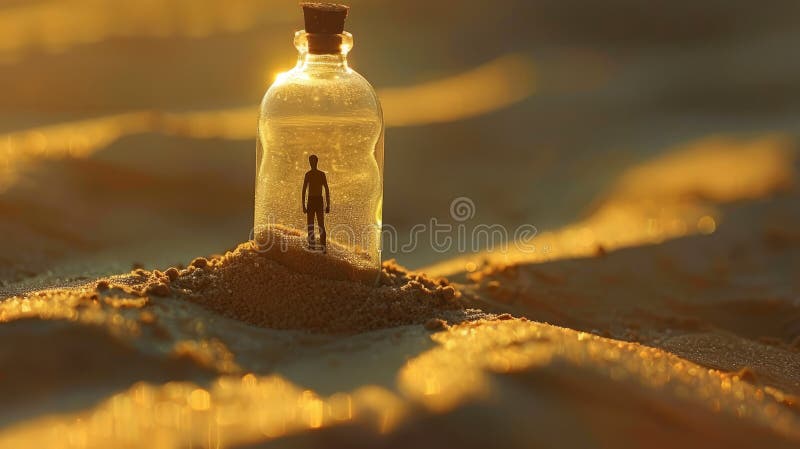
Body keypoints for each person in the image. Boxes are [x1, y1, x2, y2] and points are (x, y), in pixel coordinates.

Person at [301, 154, 330, 249]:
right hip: (311, 200)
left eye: (313, 161)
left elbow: (326, 189)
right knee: (310, 225)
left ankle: (323, 246)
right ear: (309, 162)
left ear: (317, 162)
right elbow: (304, 190)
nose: (312, 163)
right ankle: (311, 245)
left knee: (321, 224)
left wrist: (328, 204)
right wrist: (303, 205)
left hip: (318, 200)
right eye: (310, 161)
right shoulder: (308, 174)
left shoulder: (321, 174)